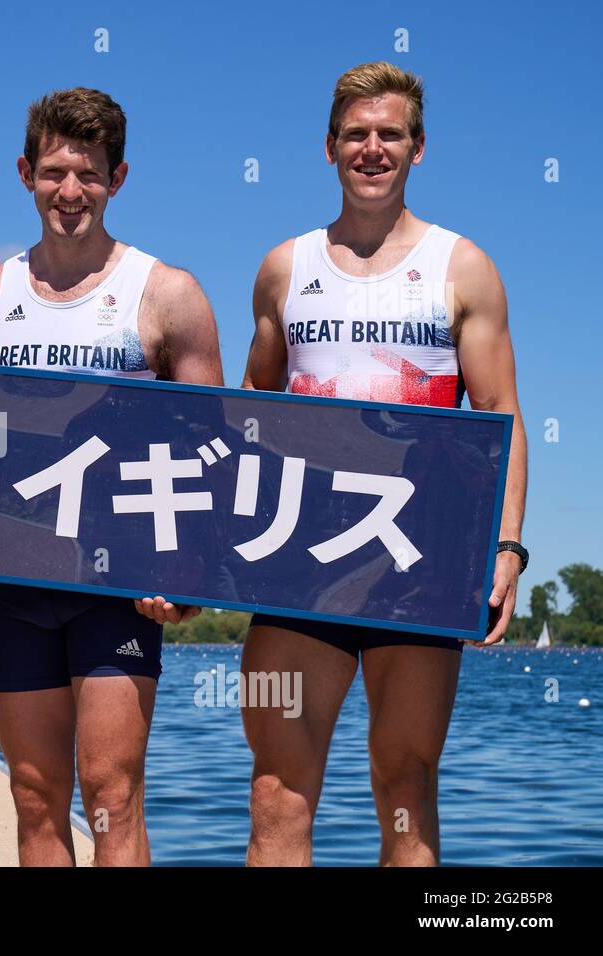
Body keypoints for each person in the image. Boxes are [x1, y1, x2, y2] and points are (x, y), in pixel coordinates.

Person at [237, 62, 527, 865]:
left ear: (418, 148)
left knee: (406, 788)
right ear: (329, 146)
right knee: (275, 792)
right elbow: (246, 414)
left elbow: (500, 415)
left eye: (390, 134)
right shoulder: (282, 269)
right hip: (295, 566)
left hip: (418, 563)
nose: (373, 148)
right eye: (356, 134)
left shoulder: (462, 267)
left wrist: (504, 550)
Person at [0, 88, 223, 865]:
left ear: (118, 178)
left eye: (89, 176)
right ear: (25, 172)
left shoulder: (168, 295)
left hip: (119, 588)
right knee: (33, 799)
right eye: (55, 173)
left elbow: (214, 450)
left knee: (113, 798)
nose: (71, 193)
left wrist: (190, 574)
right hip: (18, 579)